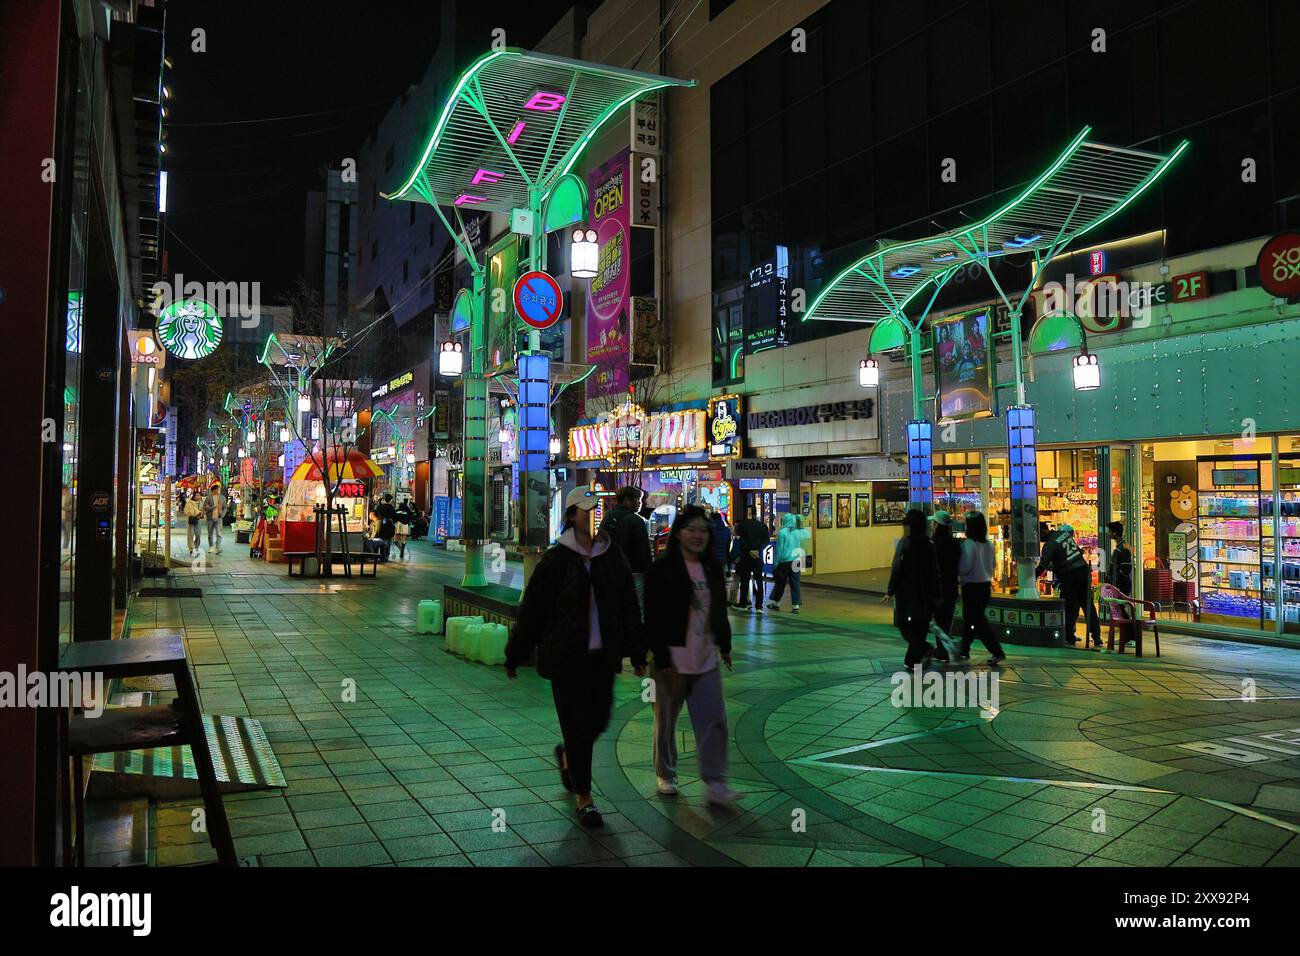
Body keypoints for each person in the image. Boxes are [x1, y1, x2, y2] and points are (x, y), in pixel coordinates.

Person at [506, 487, 644, 829]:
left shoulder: (612, 556)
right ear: (570, 516)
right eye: (585, 510)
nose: (592, 515)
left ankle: (568, 755)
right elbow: (533, 610)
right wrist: (516, 651)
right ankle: (585, 799)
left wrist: (637, 649)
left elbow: (628, 605)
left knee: (597, 721)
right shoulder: (556, 560)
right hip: (566, 659)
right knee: (576, 727)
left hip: (602, 659)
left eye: (595, 509)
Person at [645, 506, 741, 805]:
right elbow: (653, 616)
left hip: (705, 660)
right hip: (672, 661)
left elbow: (718, 610)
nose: (698, 535)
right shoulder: (662, 569)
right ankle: (666, 773)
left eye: (703, 529)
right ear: (678, 533)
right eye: (691, 529)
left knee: (714, 720)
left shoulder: (711, 567)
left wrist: (724, 645)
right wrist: (661, 658)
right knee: (666, 724)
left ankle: (715, 782)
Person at [886, 509, 940, 669]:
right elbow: (935, 572)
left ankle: (922, 651)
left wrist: (891, 589)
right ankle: (913, 660)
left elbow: (897, 568)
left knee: (906, 627)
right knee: (920, 627)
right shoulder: (929, 545)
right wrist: (937, 593)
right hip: (926, 596)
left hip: (907, 595)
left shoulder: (906, 543)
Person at [1037, 522, 1102, 647]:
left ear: (1044, 530)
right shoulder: (1063, 534)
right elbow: (1077, 551)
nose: (1040, 538)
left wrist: (1032, 577)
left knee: (1069, 607)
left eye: (1039, 535)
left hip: (1071, 575)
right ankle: (1097, 638)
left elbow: (1042, 566)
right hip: (1083, 570)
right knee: (1088, 605)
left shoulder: (1049, 544)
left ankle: (1069, 638)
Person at [956, 511, 1006, 665]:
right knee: (971, 619)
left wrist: (958, 575)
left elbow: (965, 566)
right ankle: (964, 650)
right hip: (985, 586)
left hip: (971, 586)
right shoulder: (989, 544)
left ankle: (996, 651)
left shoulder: (969, 544)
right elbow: (992, 565)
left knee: (977, 621)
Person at [599, 486, 653, 605]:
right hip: (634, 573)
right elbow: (643, 551)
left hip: (610, 572)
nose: (640, 503)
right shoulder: (636, 520)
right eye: (638, 499)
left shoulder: (607, 517)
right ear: (627, 500)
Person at [929, 511, 961, 661]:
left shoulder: (933, 544)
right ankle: (944, 648)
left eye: (933, 523)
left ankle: (942, 651)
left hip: (938, 587)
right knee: (947, 619)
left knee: (938, 620)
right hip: (952, 586)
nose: (931, 525)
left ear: (936, 525)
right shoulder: (955, 544)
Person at [767, 512, 810, 613]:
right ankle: (796, 606)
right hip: (797, 561)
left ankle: (776, 603)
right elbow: (807, 536)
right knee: (795, 583)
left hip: (784, 562)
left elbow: (779, 550)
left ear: (785, 521)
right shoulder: (798, 532)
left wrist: (775, 564)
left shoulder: (782, 533)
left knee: (780, 583)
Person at [734, 507, 771, 612]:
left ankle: (743, 604)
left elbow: (740, 540)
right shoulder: (762, 525)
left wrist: (749, 550)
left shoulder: (742, 525)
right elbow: (766, 540)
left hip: (746, 557)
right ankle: (759, 606)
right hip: (758, 557)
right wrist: (757, 550)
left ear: (747, 512)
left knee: (744, 581)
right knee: (759, 581)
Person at [1107, 521, 1133, 596]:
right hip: (1118, 585)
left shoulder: (1123, 547)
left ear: (1114, 533)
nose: (1108, 533)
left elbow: (1126, 569)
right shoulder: (1120, 546)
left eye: (1110, 531)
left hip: (1121, 586)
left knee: (1119, 607)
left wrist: (1116, 580)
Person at [202, 483, 226, 553]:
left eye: (219, 489)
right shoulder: (208, 498)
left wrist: (222, 515)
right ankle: (211, 546)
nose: (218, 490)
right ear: (213, 490)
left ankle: (218, 546)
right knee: (210, 533)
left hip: (219, 517)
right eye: (217, 489)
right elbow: (205, 507)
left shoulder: (222, 497)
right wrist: (214, 507)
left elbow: (225, 507)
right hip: (210, 518)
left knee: (219, 533)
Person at [374, 493, 398, 559]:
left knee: (378, 540)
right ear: (390, 500)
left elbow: (375, 514)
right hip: (389, 527)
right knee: (388, 541)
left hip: (380, 526)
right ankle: (385, 556)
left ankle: (376, 556)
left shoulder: (380, 506)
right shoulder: (392, 508)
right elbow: (395, 518)